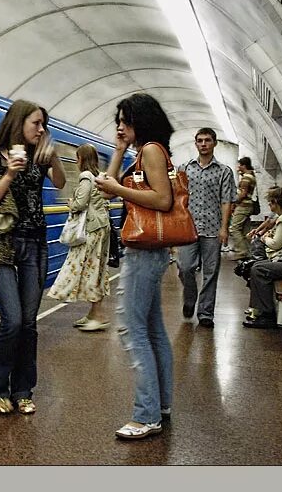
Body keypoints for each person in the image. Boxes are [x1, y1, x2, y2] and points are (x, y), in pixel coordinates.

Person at [0, 99, 66, 414]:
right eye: (36, 123)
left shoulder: (39, 156)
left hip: (36, 244)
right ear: (18, 123)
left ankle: (23, 390)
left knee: (29, 323)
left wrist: (53, 157)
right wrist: (10, 173)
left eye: (44, 125)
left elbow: (60, 183)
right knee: (12, 321)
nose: (41, 129)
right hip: (4, 246)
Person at [94, 93, 175, 440]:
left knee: (132, 330)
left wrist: (120, 190)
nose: (120, 125)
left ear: (140, 120)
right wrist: (116, 152)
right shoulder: (141, 153)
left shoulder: (153, 151)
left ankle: (146, 415)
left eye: (125, 119)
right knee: (153, 331)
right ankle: (162, 405)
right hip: (149, 251)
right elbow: (106, 192)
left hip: (144, 251)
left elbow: (163, 199)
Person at [47, 143, 111, 331]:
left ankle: (97, 315)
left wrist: (71, 203)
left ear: (81, 159)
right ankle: (93, 313)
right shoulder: (100, 176)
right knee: (97, 269)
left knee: (87, 268)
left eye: (77, 158)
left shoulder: (86, 177)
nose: (76, 162)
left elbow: (80, 204)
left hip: (90, 229)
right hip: (100, 227)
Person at [176, 128, 236, 328]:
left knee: (211, 272)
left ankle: (205, 313)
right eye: (200, 140)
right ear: (195, 144)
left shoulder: (224, 171)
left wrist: (224, 228)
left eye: (207, 140)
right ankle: (189, 298)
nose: (203, 144)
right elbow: (177, 198)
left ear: (214, 143)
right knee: (185, 267)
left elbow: (226, 201)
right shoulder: (184, 169)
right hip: (187, 228)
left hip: (212, 228)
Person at [242, 182, 282, 328]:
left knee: (258, 269)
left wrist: (279, 256)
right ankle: (258, 308)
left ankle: (266, 315)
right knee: (257, 265)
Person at [229, 157, 257, 260]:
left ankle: (242, 252)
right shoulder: (251, 176)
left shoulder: (246, 178)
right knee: (245, 230)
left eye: (239, 165)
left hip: (243, 206)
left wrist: (234, 201)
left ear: (243, 166)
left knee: (234, 228)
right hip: (248, 206)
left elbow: (243, 193)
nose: (238, 167)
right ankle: (249, 252)